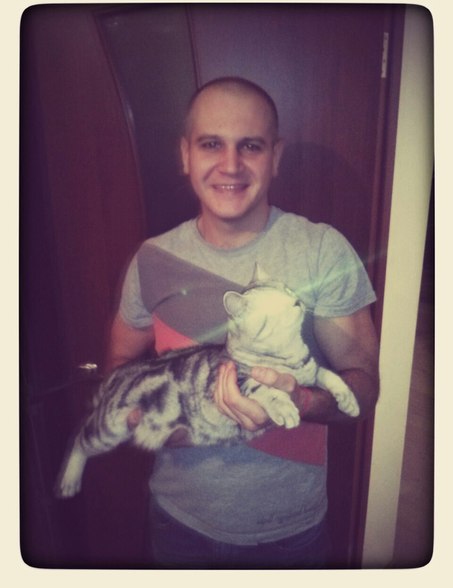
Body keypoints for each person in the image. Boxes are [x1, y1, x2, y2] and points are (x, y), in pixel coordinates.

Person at [105, 76, 380, 569]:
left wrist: (299, 400)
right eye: (211, 144)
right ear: (186, 154)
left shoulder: (321, 250)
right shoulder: (151, 259)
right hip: (178, 523)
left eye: (250, 145)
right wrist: (159, 426)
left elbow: (364, 390)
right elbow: (119, 368)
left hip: (289, 534)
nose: (230, 165)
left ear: (275, 156)